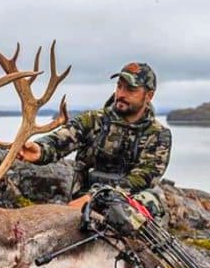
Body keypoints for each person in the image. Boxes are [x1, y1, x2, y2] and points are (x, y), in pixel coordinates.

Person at [18, 62, 171, 228]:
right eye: (119, 87)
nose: (121, 94)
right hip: (82, 202)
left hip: (123, 202)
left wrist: (95, 196)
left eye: (130, 90)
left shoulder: (158, 135)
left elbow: (141, 178)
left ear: (149, 96)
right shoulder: (92, 120)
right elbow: (60, 140)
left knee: (148, 201)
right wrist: (40, 150)